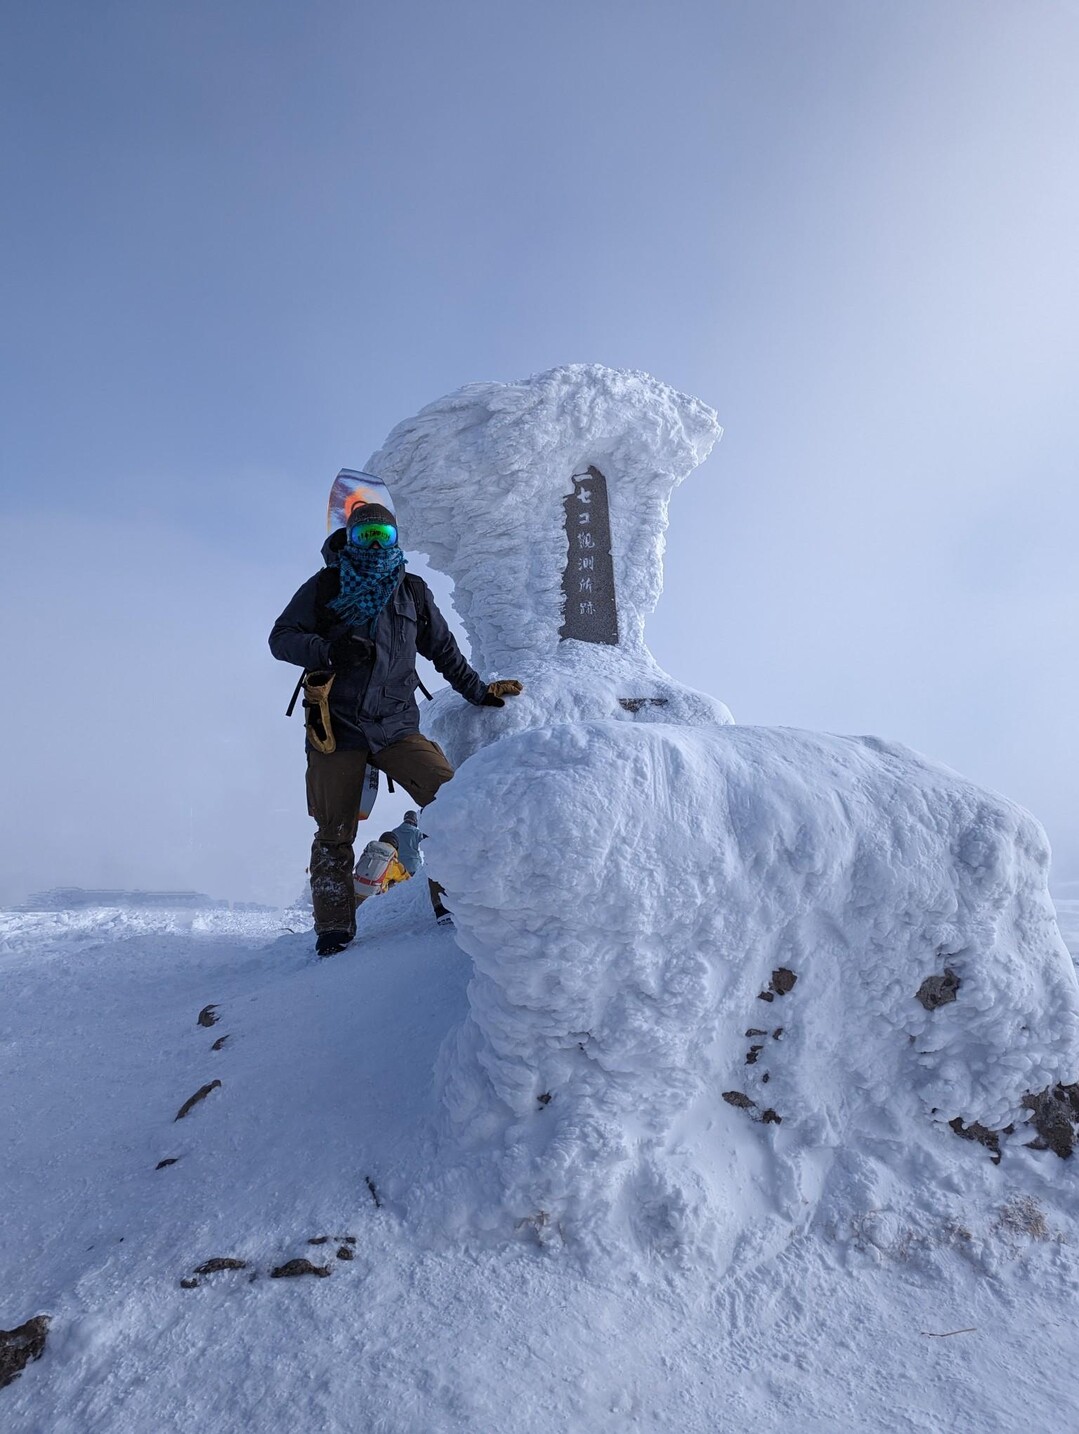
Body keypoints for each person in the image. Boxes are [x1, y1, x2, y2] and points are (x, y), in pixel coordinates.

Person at [269, 501, 522, 956]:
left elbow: (443, 650)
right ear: (349, 540)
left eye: (381, 537)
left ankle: (450, 904)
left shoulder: (412, 591)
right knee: (333, 831)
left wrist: (478, 691)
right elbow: (281, 638)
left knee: (449, 799)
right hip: (336, 728)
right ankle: (333, 930)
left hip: (396, 726)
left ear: (395, 540)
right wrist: (328, 650)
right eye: (363, 537)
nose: (372, 545)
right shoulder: (326, 585)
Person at [392, 810, 425, 877]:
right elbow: (427, 843)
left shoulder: (394, 832)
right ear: (415, 820)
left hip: (398, 868)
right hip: (414, 866)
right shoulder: (417, 832)